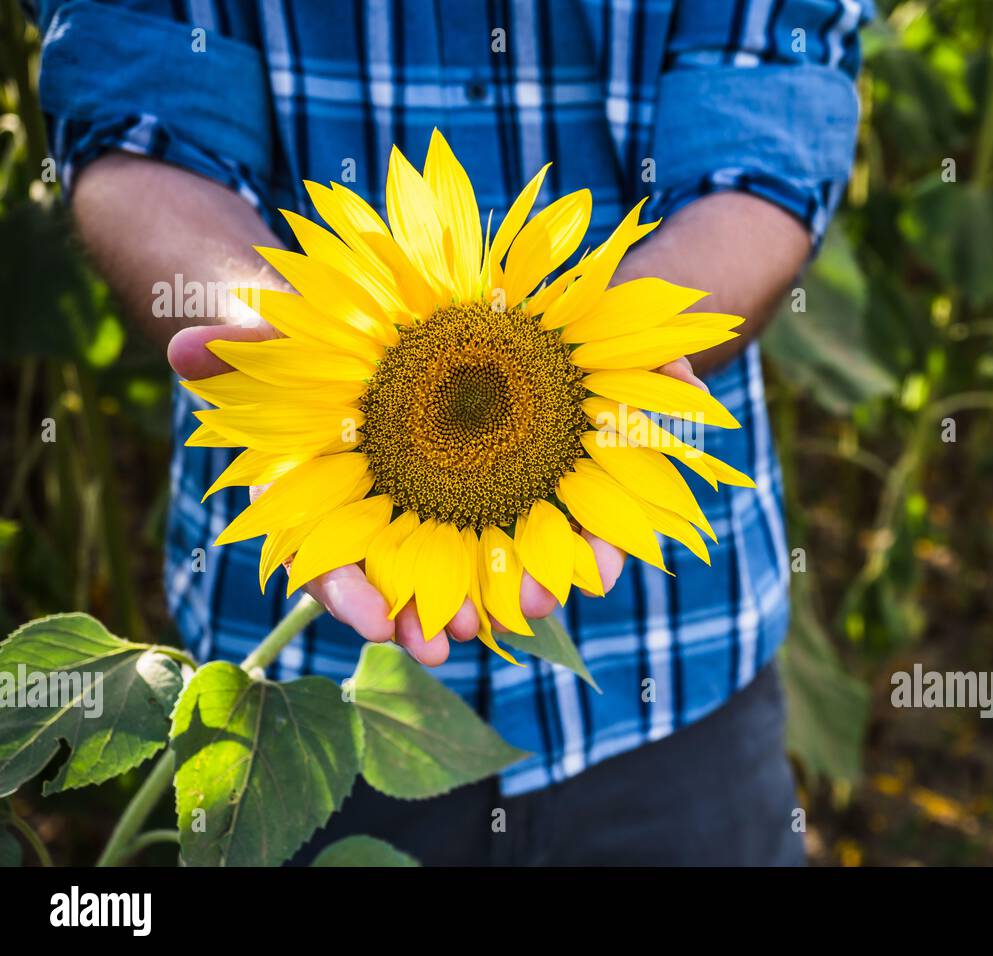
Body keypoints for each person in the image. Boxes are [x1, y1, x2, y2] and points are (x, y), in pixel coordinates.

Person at [34, 0, 867, 865]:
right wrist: (276, 340)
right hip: (291, 640)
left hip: (673, 667)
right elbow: (134, 112)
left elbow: (763, 143)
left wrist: (637, 345)